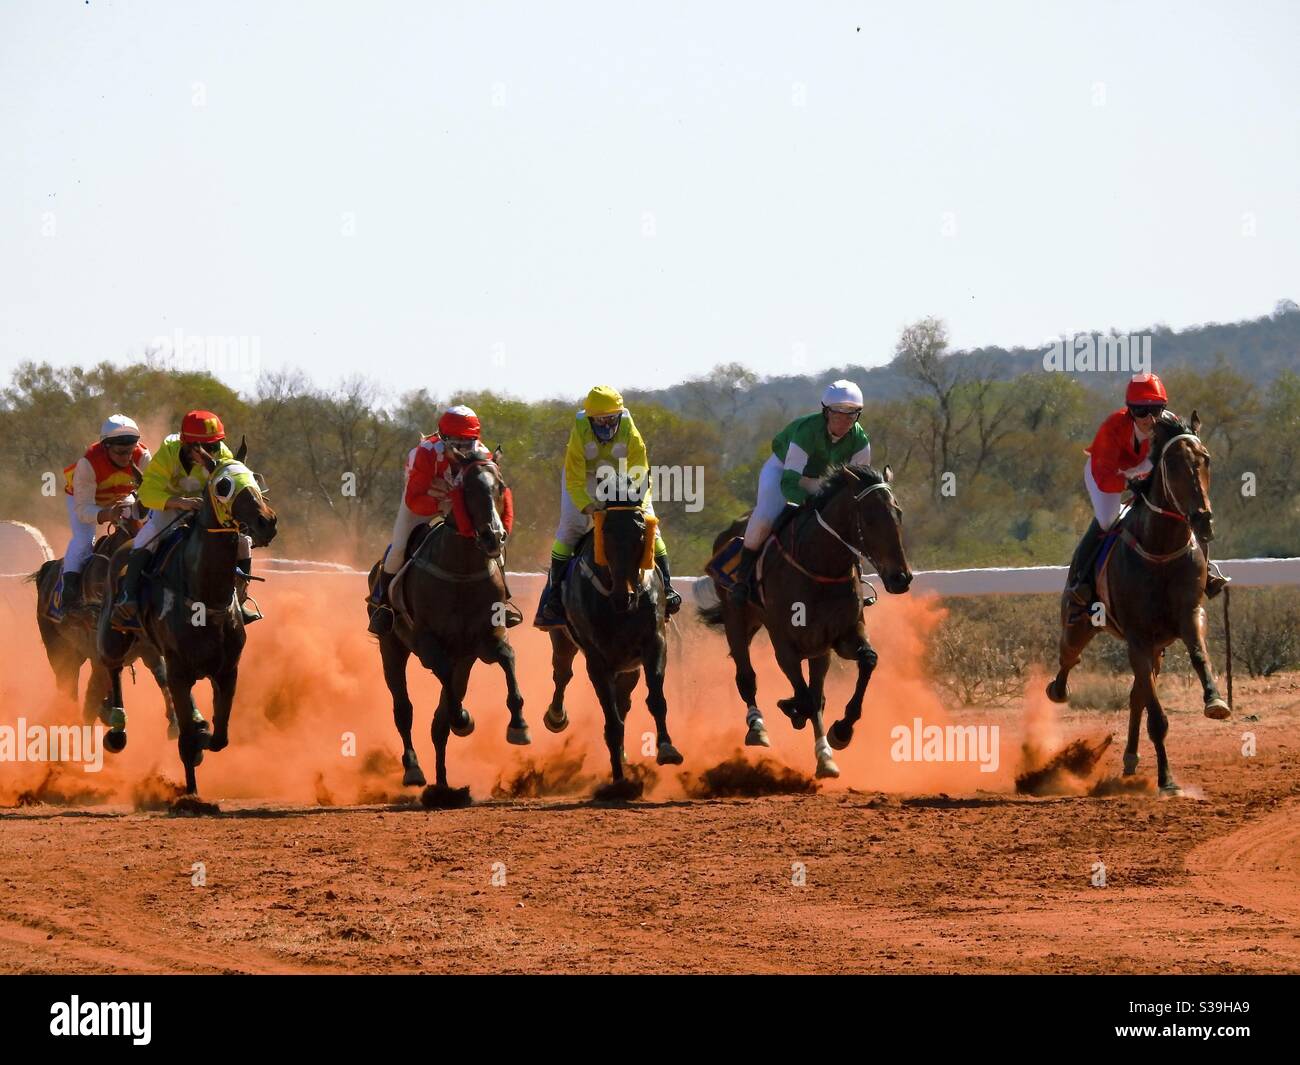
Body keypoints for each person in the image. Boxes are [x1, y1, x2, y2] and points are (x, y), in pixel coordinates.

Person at [1065, 372, 1226, 606]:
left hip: (1143, 470)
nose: (1149, 418)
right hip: (1107, 473)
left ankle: (1206, 572)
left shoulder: (1169, 424)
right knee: (1108, 519)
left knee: (1185, 509)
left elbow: (1187, 455)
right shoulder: (1112, 428)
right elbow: (1104, 478)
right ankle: (1081, 580)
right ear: (1130, 409)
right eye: (1140, 411)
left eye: (1156, 410)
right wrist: (1130, 483)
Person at [534, 385, 680, 629]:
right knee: (571, 529)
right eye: (600, 420)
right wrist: (589, 507)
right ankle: (554, 596)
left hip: (623, 477)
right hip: (585, 478)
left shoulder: (629, 430)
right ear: (590, 419)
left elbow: (641, 472)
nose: (606, 424)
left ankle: (667, 587)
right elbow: (575, 479)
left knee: (650, 525)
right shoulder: (579, 431)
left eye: (611, 418)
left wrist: (638, 507)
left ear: (619, 415)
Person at [730, 380, 871, 605]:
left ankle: (857, 581)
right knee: (766, 517)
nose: (845, 421)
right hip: (782, 472)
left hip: (820, 480)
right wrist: (811, 504)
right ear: (826, 412)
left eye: (852, 415)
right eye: (838, 414)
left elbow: (854, 488)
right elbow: (789, 484)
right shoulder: (807, 432)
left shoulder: (860, 441)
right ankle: (742, 579)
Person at [111, 410, 257, 628]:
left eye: (214, 446)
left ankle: (239, 601)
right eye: (205, 447)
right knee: (146, 537)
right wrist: (180, 502)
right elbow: (148, 493)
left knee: (244, 542)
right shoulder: (168, 453)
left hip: (207, 509)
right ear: (187, 445)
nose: (211, 452)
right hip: (169, 506)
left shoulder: (222, 454)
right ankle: (128, 597)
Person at [367, 405, 494, 636]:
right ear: (443, 438)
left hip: (458, 506)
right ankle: (382, 604)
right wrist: (442, 504)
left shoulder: (484, 456)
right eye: (455, 443)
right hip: (423, 501)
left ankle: (499, 605)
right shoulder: (425, 453)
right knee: (399, 548)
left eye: (467, 443)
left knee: (491, 543)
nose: (461, 450)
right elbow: (414, 499)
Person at [59, 415, 151, 611]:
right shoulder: (88, 463)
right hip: (86, 500)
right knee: (85, 540)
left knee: (145, 530)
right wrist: (109, 514)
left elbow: (152, 493)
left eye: (130, 450)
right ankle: (68, 593)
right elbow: (84, 510)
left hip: (122, 495)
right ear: (106, 446)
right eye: (120, 452)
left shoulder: (143, 456)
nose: (126, 457)